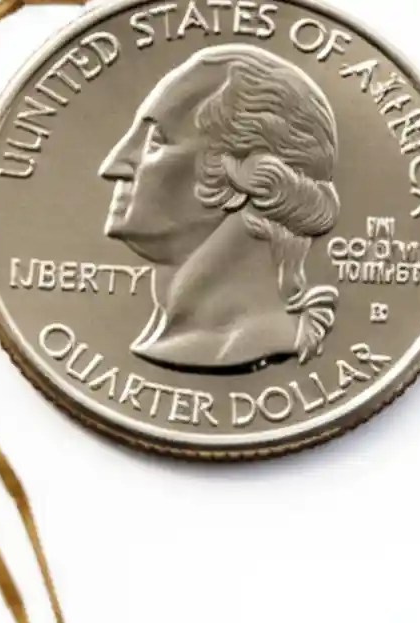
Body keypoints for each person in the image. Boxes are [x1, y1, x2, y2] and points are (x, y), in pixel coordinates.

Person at [99, 44, 341, 375]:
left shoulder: (240, 345)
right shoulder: (177, 340)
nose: (112, 165)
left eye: (156, 140)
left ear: (249, 174)